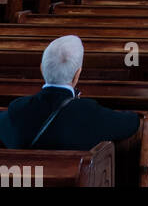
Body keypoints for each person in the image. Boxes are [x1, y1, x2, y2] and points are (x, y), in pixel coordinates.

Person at [0, 35, 140, 150]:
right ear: (76, 75)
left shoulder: (17, 109)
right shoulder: (88, 112)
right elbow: (132, 123)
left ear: (42, 69)